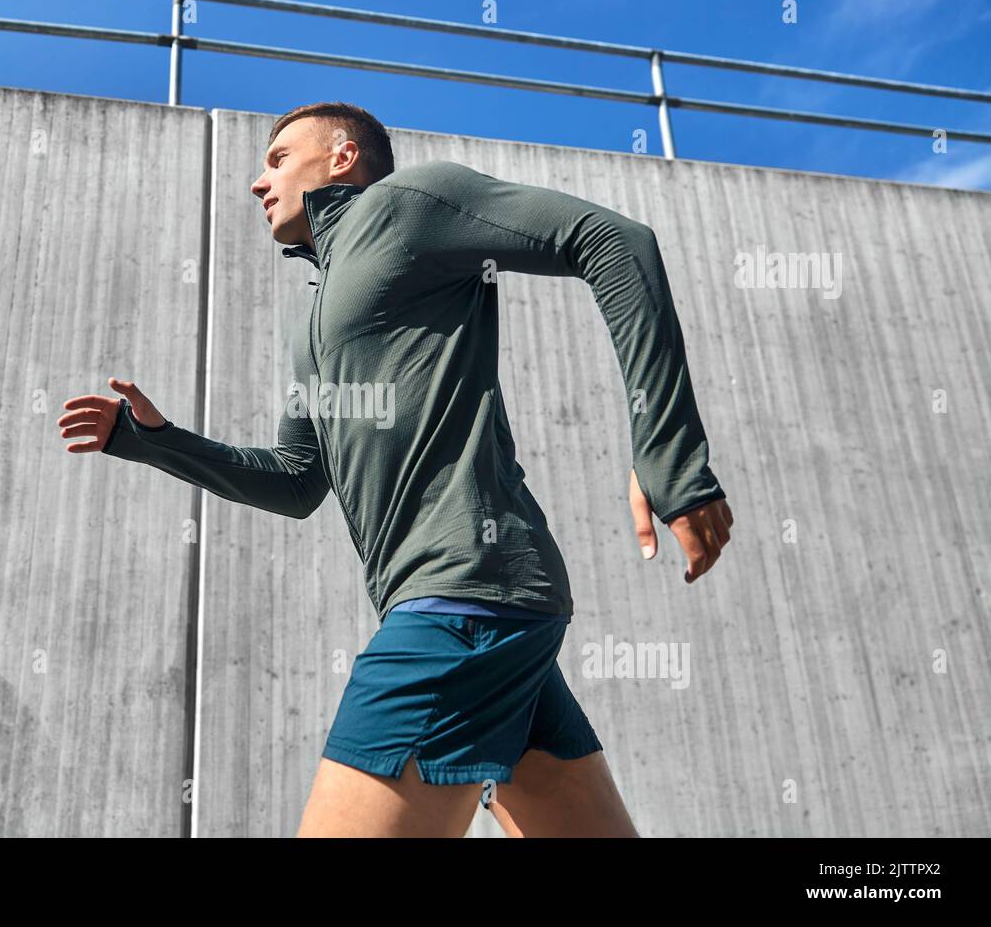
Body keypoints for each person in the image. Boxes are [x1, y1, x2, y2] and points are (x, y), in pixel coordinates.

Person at [58, 101, 734, 837]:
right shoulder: (312, 315)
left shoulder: (407, 207)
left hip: (461, 601)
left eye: (278, 158)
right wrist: (155, 441)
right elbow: (295, 479)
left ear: (342, 158)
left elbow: (612, 241)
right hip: (479, 611)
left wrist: (667, 454)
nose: (259, 182)